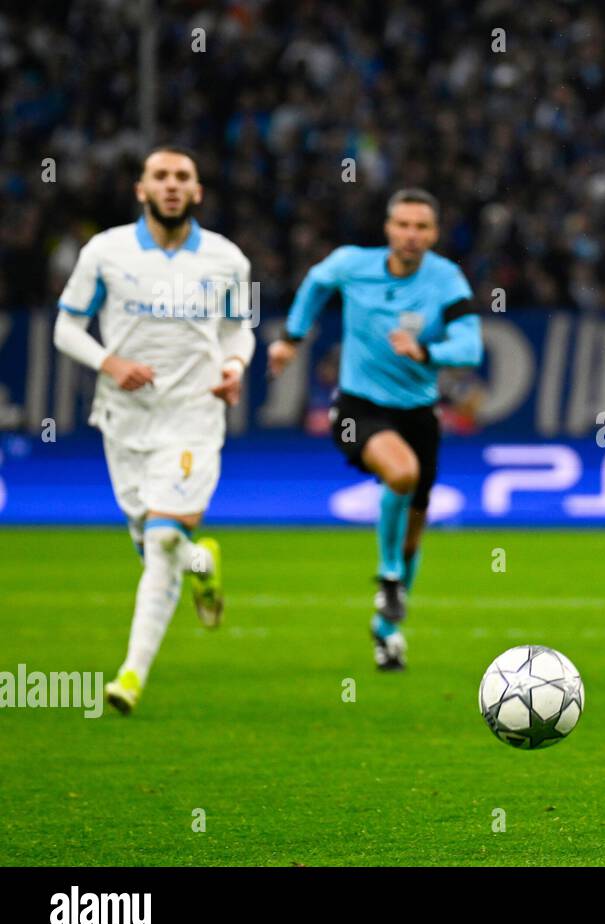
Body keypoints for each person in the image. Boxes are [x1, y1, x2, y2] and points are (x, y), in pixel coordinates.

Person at [52, 145, 254, 715]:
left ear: (197, 192)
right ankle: (202, 563)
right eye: (160, 176)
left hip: (193, 415)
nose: (171, 185)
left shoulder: (227, 259)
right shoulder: (105, 252)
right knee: (154, 545)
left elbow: (240, 329)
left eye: (182, 176)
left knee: (163, 538)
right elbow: (66, 329)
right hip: (123, 418)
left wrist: (234, 366)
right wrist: (110, 364)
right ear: (141, 189)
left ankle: (131, 676)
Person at [269, 189, 483, 671]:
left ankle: (386, 630)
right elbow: (315, 282)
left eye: (421, 227)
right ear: (388, 228)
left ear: (434, 234)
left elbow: (470, 347)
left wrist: (427, 352)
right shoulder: (352, 264)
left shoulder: (445, 279)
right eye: (403, 225)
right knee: (402, 473)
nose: (411, 235)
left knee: (414, 534)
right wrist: (291, 339)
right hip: (356, 408)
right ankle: (388, 578)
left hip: (419, 414)